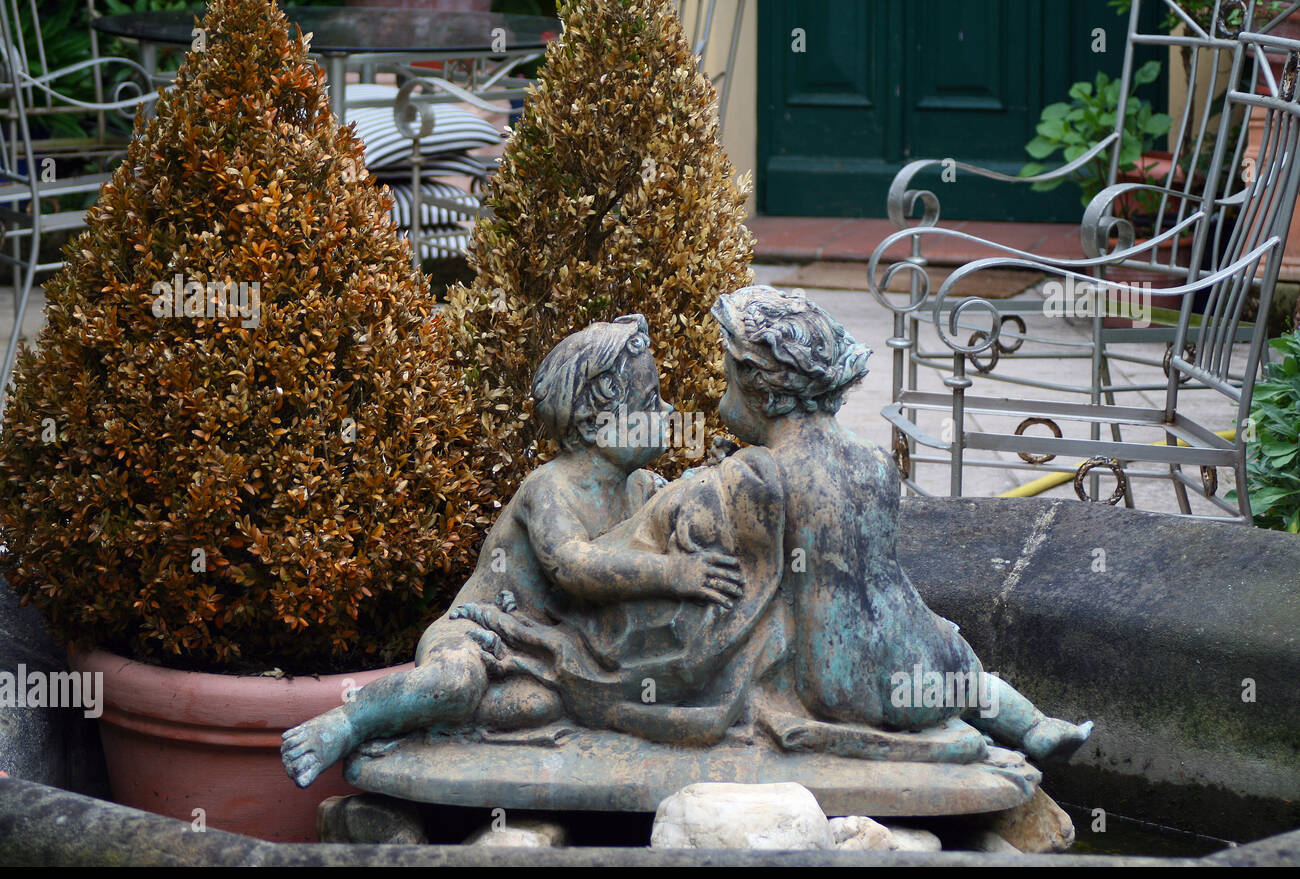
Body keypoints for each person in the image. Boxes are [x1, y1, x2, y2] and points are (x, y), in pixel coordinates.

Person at [460, 286, 1093, 760]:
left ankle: (941, 747)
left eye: (726, 381)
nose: (712, 399)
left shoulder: (757, 476)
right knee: (967, 675)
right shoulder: (875, 464)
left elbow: (736, 572)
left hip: (836, 681)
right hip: (923, 650)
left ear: (761, 390)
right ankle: (1031, 724)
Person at [281, 314, 742, 787]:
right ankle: (347, 723)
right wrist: (674, 573)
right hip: (474, 633)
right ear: (593, 424)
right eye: (650, 402)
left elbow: (673, 514)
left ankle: (454, 725)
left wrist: (713, 481)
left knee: (541, 705)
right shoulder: (550, 487)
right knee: (454, 684)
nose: (668, 411)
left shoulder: (640, 486)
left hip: (536, 652)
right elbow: (574, 565)